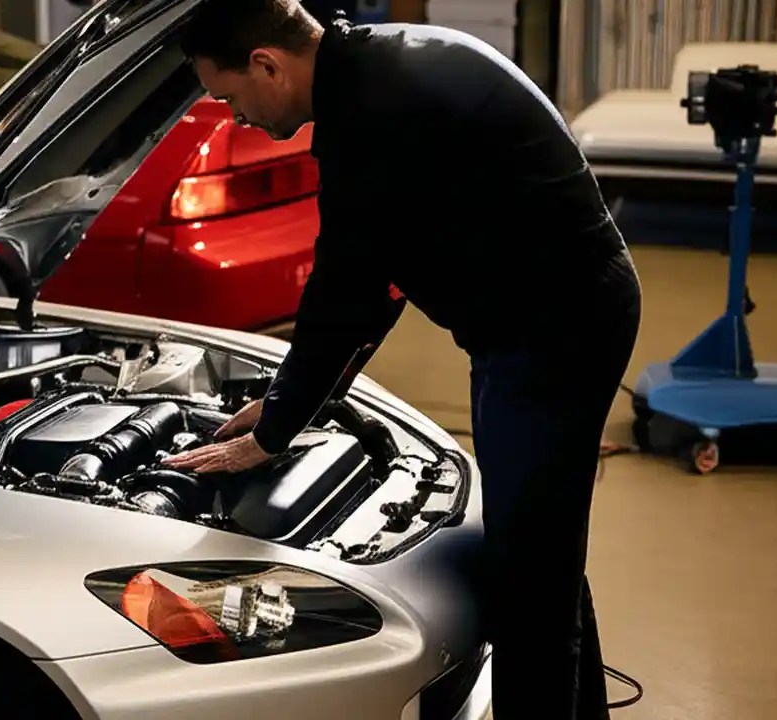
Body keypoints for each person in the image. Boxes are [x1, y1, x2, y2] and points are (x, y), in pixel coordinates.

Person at [162, 1, 642, 718]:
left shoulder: (374, 111)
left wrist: (277, 429)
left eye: (230, 97)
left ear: (267, 63)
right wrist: (299, 401)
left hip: (554, 334)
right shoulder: (377, 67)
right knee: (538, 547)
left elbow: (345, 287)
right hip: (546, 318)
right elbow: (384, 277)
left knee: (528, 580)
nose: (237, 117)